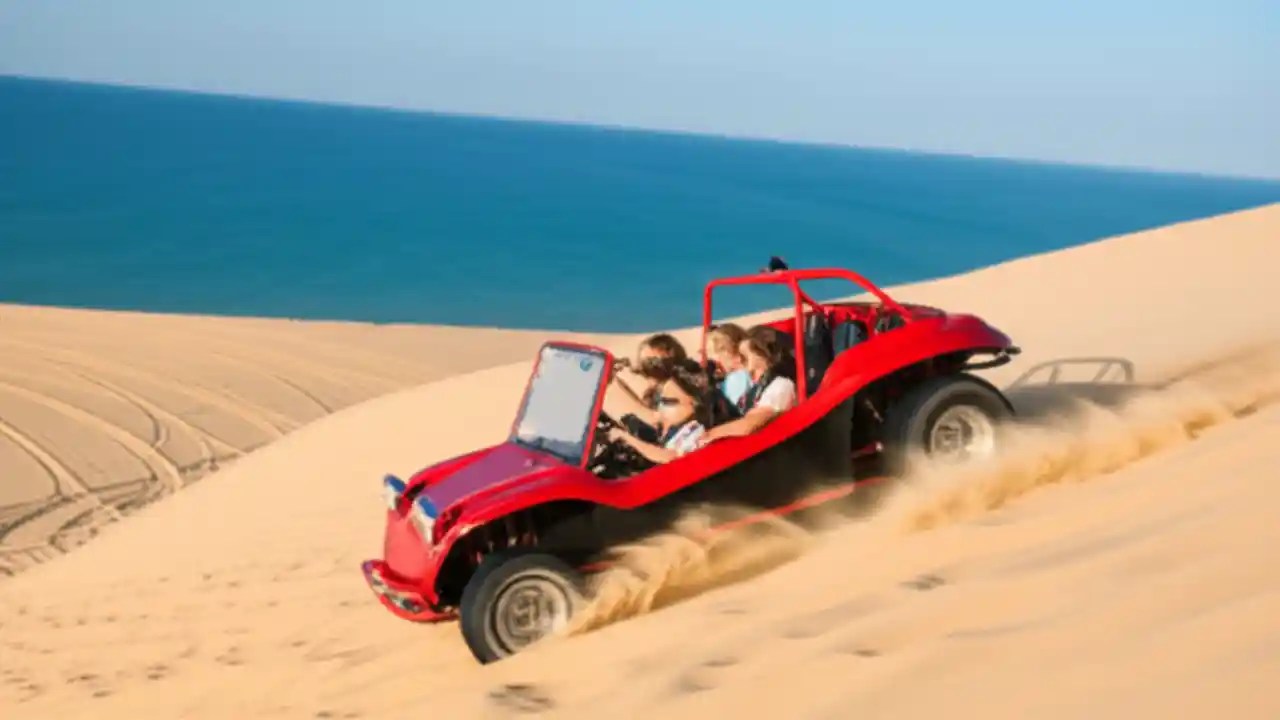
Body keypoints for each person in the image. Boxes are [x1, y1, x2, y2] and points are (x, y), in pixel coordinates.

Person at [697, 324, 797, 445]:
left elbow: (750, 423)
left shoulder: (780, 385)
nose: (740, 361)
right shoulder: (757, 388)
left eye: (744, 357)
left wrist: (709, 435)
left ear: (763, 356)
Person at [608, 359, 709, 463]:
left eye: (668, 401)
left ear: (692, 404)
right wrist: (617, 381)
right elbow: (640, 409)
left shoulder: (695, 431)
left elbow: (665, 456)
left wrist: (626, 437)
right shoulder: (676, 424)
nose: (660, 406)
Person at [608, 333, 688, 436]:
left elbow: (657, 421)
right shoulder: (658, 391)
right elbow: (644, 409)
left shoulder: (680, 387)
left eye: (651, 362)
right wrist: (617, 380)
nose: (644, 367)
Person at [706, 323, 753, 408]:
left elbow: (734, 408)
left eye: (712, 353)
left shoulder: (736, 378)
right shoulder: (748, 373)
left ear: (726, 351)